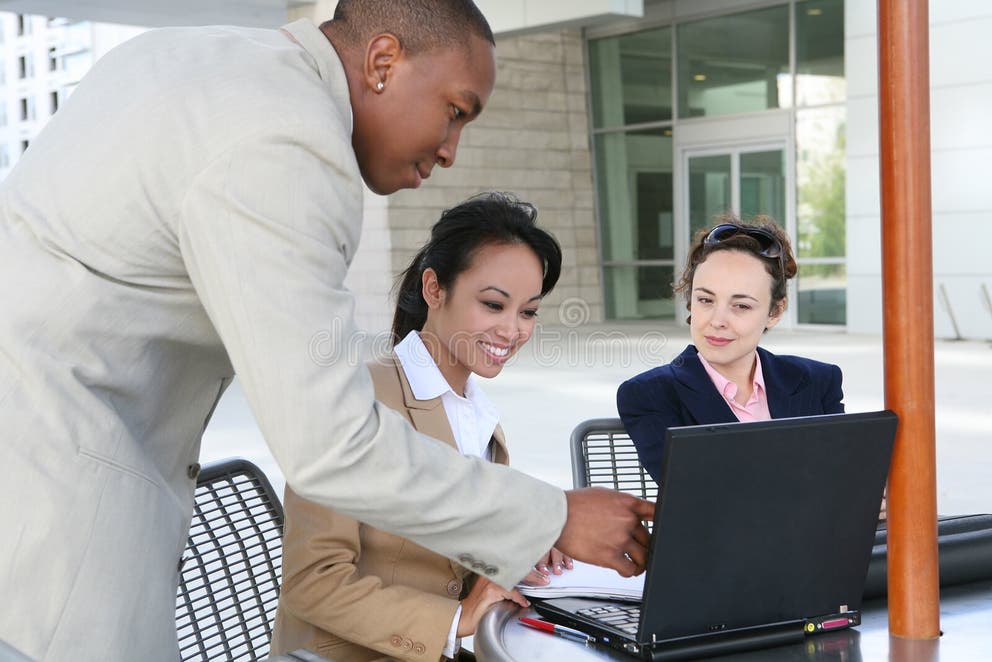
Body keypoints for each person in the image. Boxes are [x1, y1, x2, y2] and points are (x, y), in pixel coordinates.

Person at [0, 2, 652, 659]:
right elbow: (330, 444)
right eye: (454, 111)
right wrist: (554, 517)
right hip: (41, 537)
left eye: (530, 308)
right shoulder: (290, 138)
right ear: (382, 62)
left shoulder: (194, 63)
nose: (452, 151)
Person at [271, 192, 572, 661]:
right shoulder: (354, 401)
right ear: (435, 289)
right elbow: (312, 582)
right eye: (494, 305)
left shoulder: (477, 414)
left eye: (528, 312)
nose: (512, 331)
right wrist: (459, 619)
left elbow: (445, 560)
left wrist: (519, 543)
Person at [617, 217, 844, 484]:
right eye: (705, 300)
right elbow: (700, 497)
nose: (717, 320)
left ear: (775, 311)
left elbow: (841, 476)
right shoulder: (650, 395)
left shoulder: (817, 381)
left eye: (741, 306)